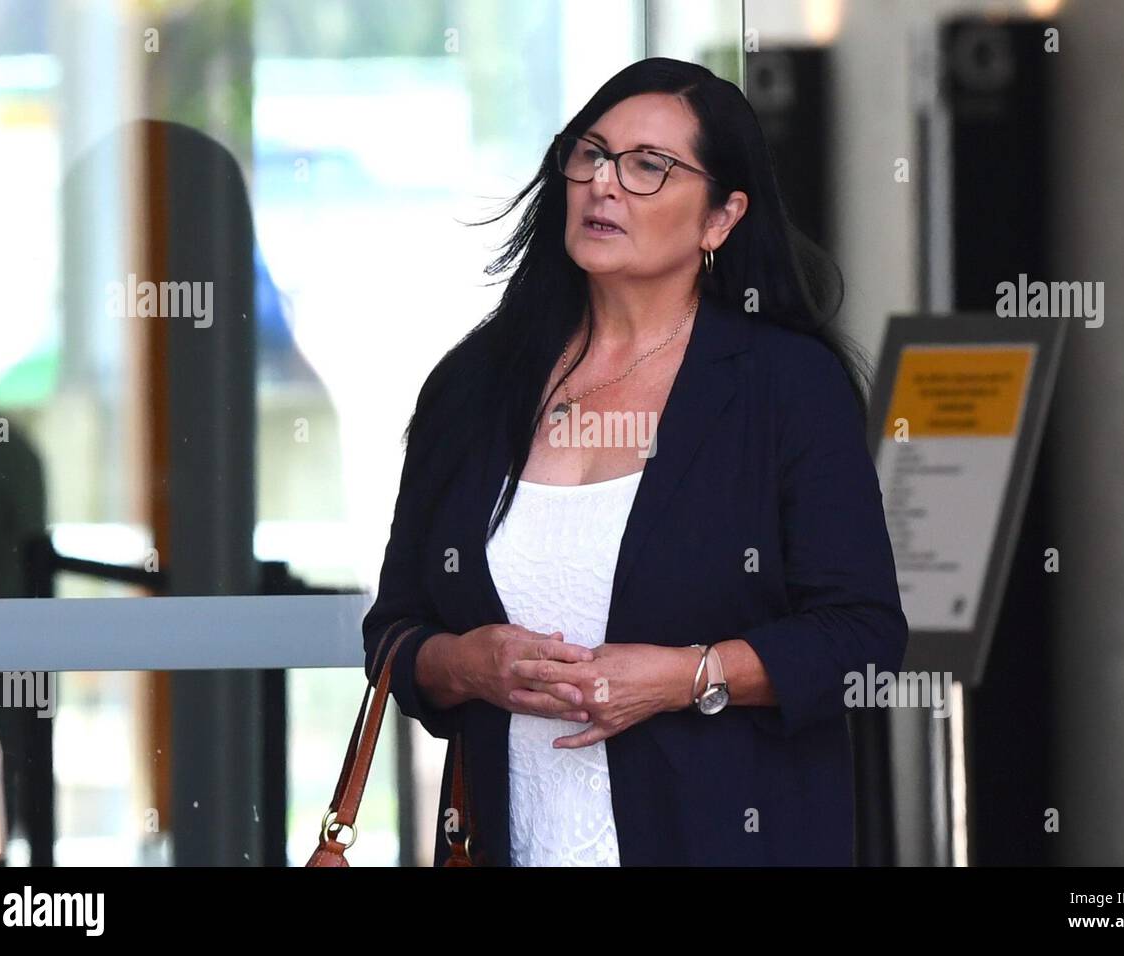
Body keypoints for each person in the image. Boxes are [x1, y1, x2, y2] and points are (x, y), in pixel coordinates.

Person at [362, 57, 908, 866]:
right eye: (589, 154)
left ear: (721, 218)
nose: (603, 184)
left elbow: (862, 637)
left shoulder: (783, 387)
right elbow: (395, 631)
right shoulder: (473, 387)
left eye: (649, 167)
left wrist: (688, 677)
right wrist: (465, 665)